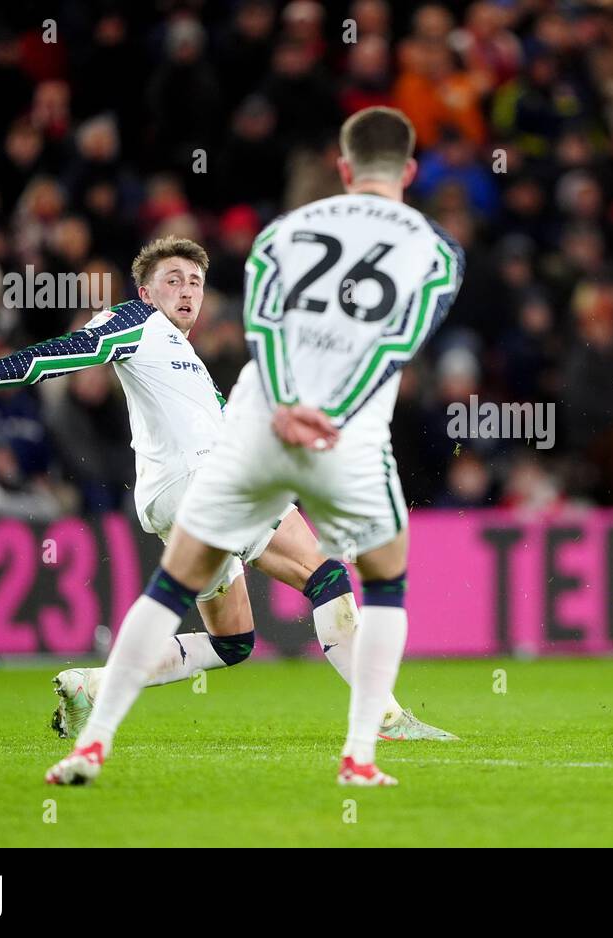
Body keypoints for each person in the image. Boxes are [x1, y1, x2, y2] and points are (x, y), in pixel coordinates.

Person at [46, 106, 464, 787]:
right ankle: (377, 728)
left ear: (343, 168)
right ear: (410, 173)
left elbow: (262, 332)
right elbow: (396, 344)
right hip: (283, 440)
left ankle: (93, 712)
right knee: (344, 574)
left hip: (224, 448)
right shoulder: (435, 250)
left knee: (220, 630)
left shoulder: (281, 242)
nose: (188, 294)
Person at [0, 235, 454, 743]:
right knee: (326, 576)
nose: (186, 291)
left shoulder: (188, 362)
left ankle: (92, 686)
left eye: (195, 282)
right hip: (204, 481)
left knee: (233, 641)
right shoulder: (136, 322)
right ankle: (384, 718)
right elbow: (68, 352)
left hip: (174, 499)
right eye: (173, 280)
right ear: (146, 293)